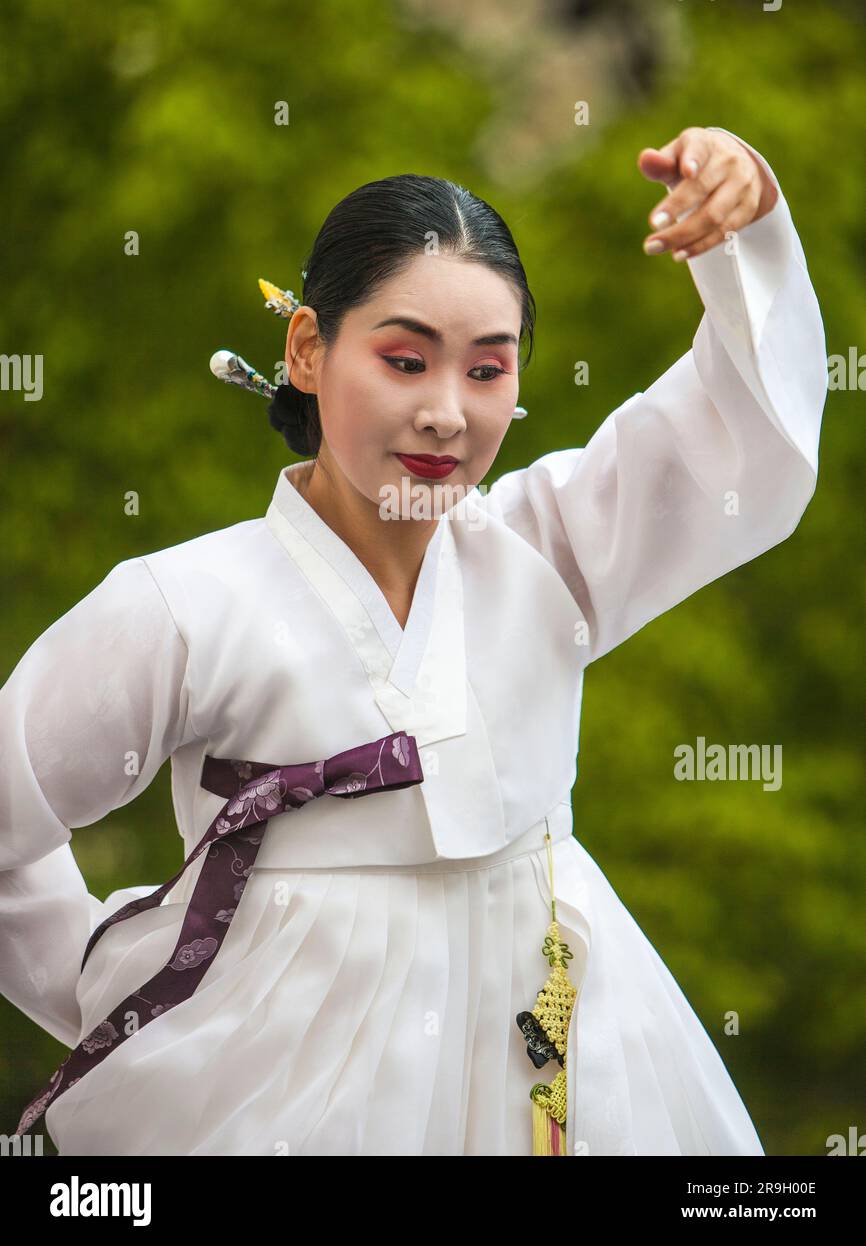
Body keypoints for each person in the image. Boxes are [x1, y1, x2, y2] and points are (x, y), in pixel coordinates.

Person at [0, 126, 827, 1156]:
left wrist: (745, 228)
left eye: (487, 370)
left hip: (559, 1065)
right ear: (308, 349)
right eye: (404, 360)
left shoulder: (548, 551)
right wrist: (107, 988)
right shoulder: (182, 605)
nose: (444, 412)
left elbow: (750, 448)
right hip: (281, 1092)